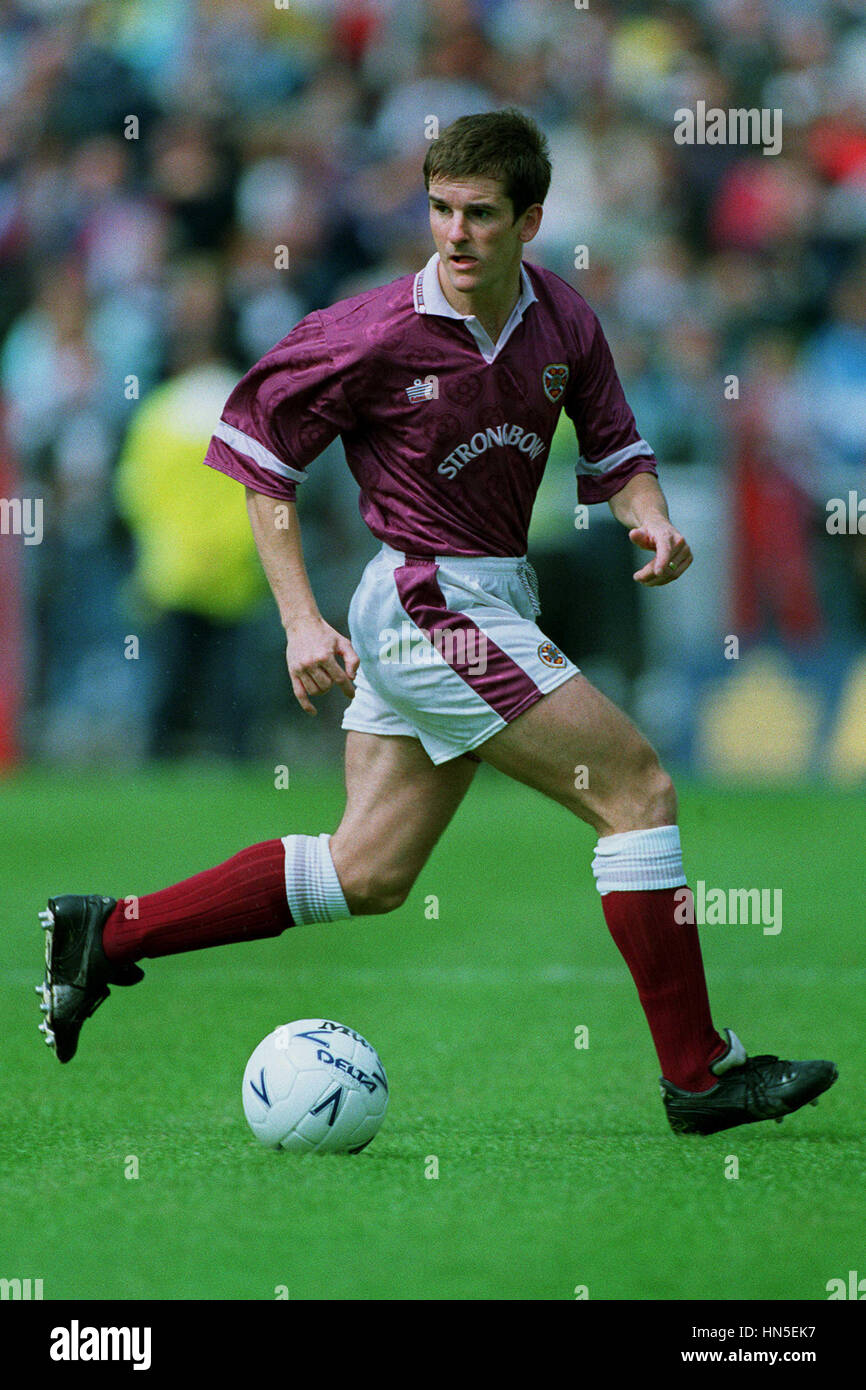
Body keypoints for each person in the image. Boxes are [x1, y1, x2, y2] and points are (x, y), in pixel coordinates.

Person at [35, 110, 837, 1136]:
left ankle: (107, 934)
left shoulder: (564, 324)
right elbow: (257, 458)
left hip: (491, 594)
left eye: (480, 215)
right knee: (637, 790)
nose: (455, 234)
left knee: (365, 872)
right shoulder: (372, 331)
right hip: (427, 604)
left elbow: (616, 453)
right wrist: (297, 619)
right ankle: (697, 1073)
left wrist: (652, 521)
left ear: (530, 220)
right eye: (441, 210)